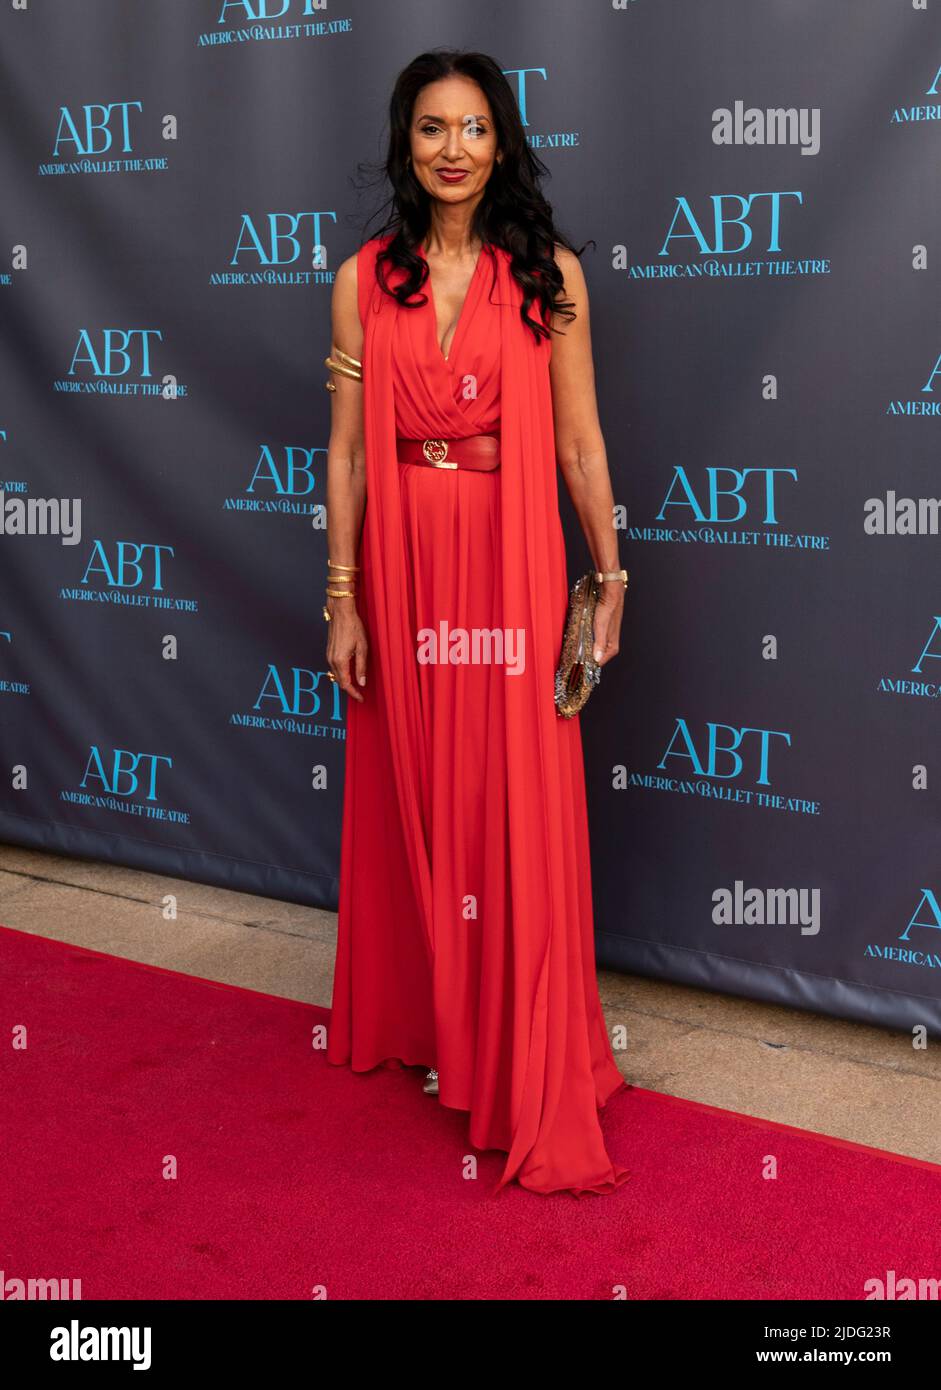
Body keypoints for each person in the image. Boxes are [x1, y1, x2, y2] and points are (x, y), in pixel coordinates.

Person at [323, 47, 630, 1197]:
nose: (452, 150)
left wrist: (607, 579)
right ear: (404, 144)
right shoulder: (362, 279)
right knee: (420, 794)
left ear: (503, 145)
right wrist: (342, 600)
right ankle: (435, 1022)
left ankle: (521, 1059)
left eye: (474, 129)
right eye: (430, 129)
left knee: (510, 806)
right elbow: (348, 454)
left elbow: (581, 444)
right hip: (403, 567)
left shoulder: (546, 276)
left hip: (506, 566)